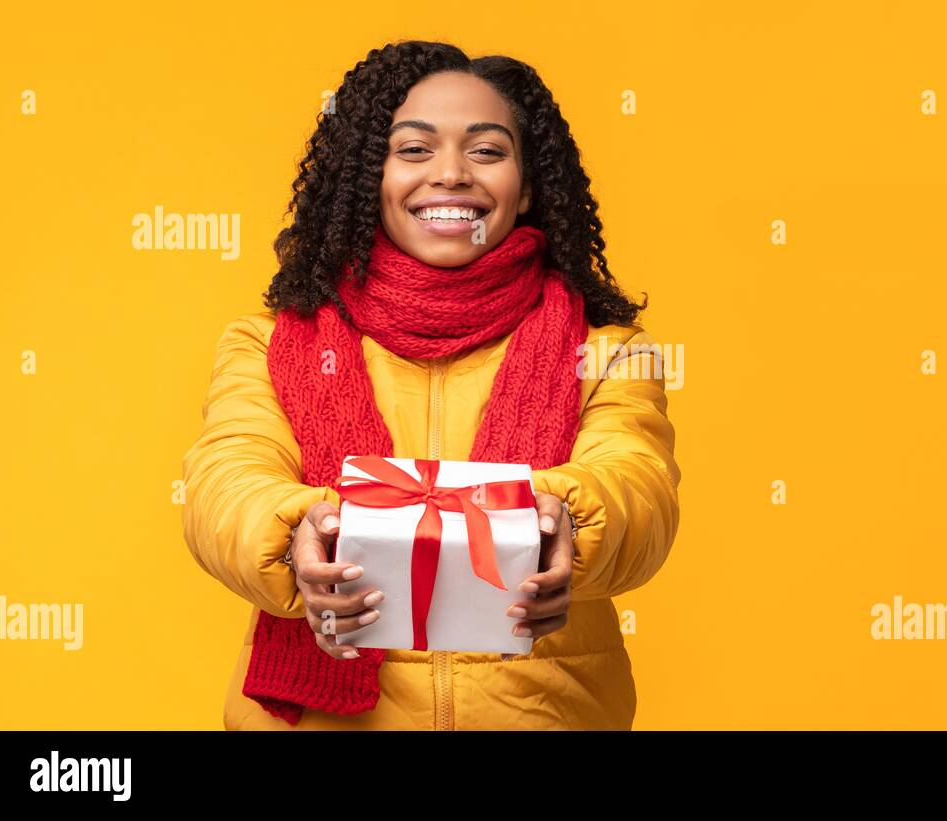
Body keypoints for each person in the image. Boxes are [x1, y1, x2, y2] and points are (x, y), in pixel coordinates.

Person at [180, 40, 681, 730]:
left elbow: (639, 485)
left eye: (487, 151)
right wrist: (298, 530)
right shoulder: (269, 343)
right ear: (367, 177)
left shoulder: (606, 351)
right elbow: (225, 480)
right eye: (413, 150)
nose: (450, 174)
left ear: (528, 185)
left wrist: (569, 517)